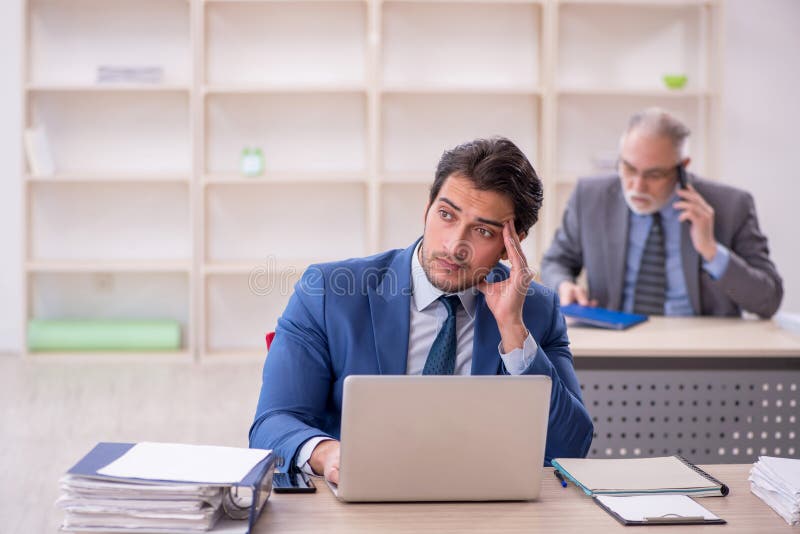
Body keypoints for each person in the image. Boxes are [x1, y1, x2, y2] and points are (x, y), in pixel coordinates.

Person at [249, 137, 593, 484]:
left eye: (483, 231)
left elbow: (570, 450)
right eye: (446, 215)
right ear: (427, 207)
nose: (454, 245)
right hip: (361, 505)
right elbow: (272, 424)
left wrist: (514, 332)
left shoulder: (536, 310)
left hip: (481, 508)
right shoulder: (327, 291)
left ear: (511, 244)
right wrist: (327, 454)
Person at [541, 108, 782, 318]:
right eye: (628, 168)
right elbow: (556, 261)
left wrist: (711, 250)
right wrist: (563, 285)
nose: (637, 186)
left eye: (654, 175)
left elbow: (768, 301)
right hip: (617, 342)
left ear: (682, 168)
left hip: (701, 350)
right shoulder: (590, 196)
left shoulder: (732, 206)